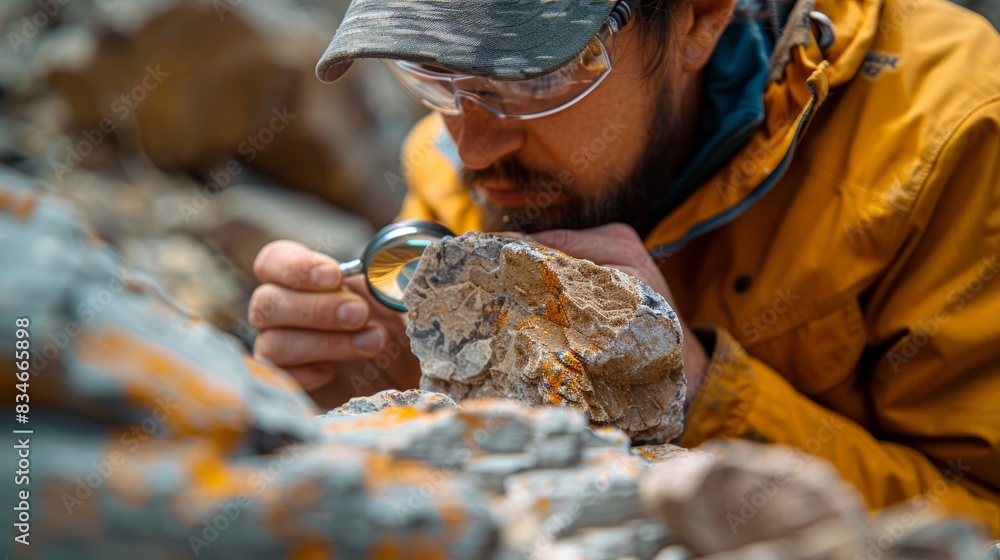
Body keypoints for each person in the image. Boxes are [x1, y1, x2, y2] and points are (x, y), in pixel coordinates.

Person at [249, 0, 1000, 536]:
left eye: (533, 77)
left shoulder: (954, 138)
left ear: (702, 18)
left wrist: (700, 395)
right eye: (431, 74)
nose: (472, 149)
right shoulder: (455, 168)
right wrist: (383, 390)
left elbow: (983, 521)